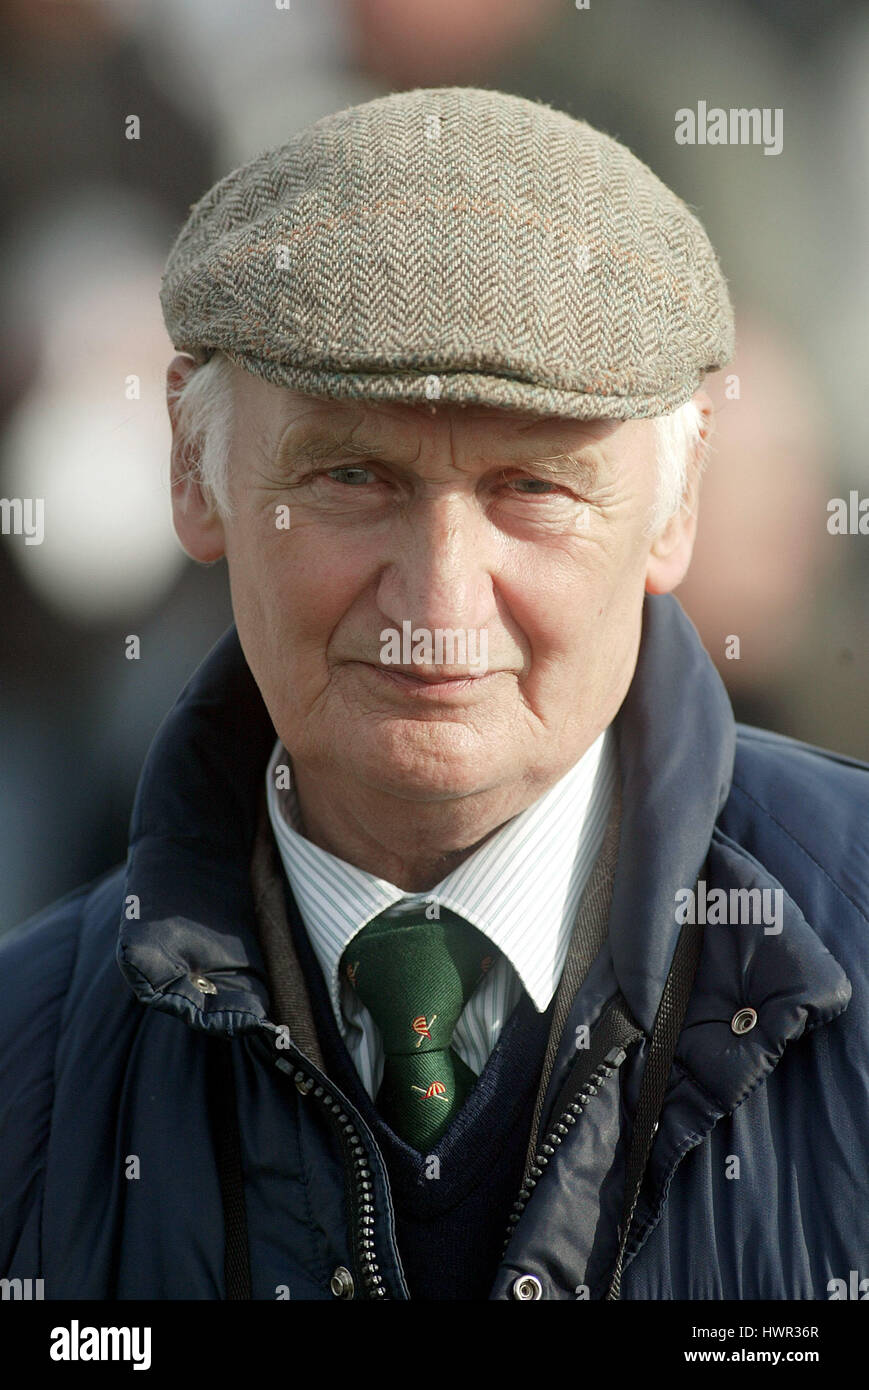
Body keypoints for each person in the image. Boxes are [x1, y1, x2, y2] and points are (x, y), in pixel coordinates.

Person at [0, 86, 865, 1302]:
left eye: (532, 487)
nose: (438, 600)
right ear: (193, 475)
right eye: (352, 476)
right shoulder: (23, 1073)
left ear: (677, 506)